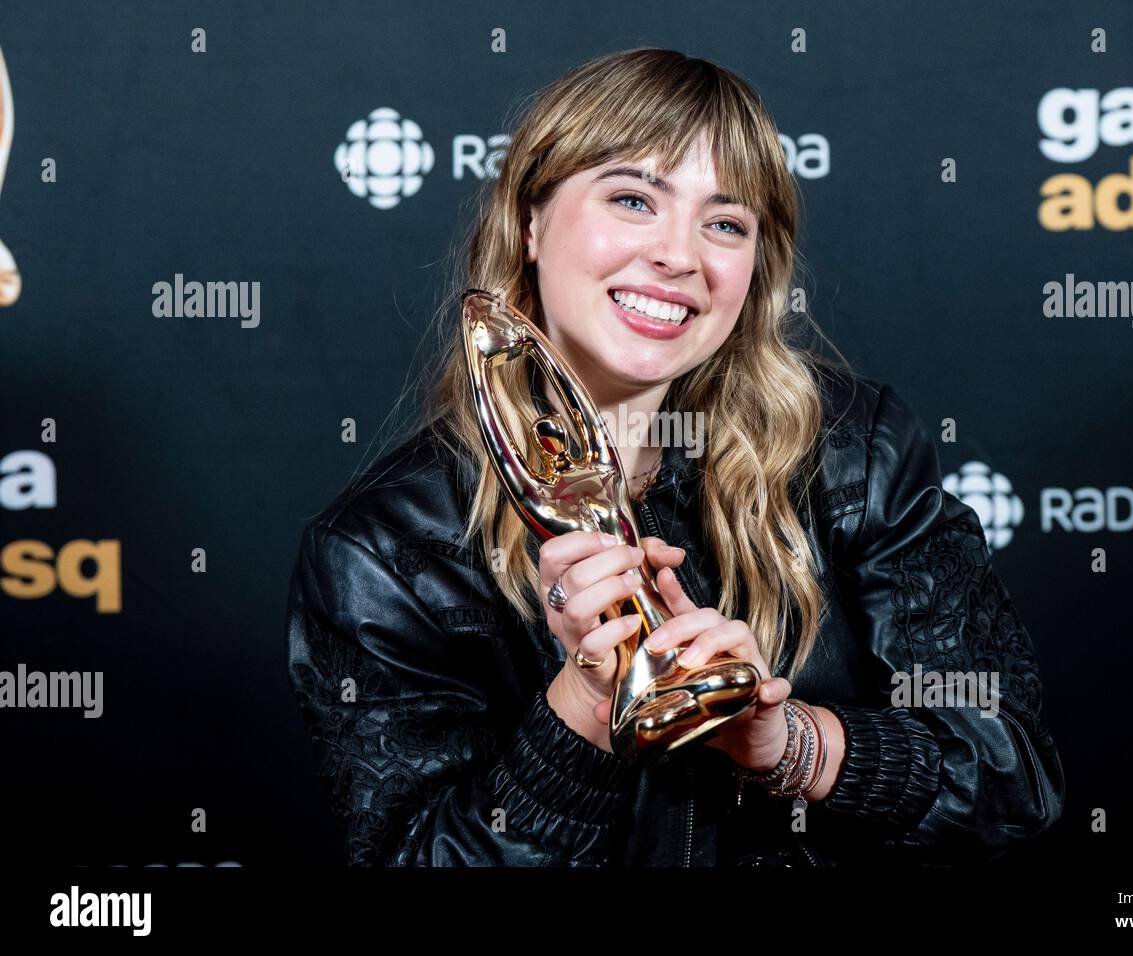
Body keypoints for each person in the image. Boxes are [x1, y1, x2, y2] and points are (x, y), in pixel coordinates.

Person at [285, 47, 1064, 866]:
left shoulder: (854, 452)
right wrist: (585, 709)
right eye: (633, 199)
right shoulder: (381, 551)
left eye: (724, 223)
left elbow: (1013, 777)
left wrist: (786, 743)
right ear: (530, 222)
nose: (679, 255)